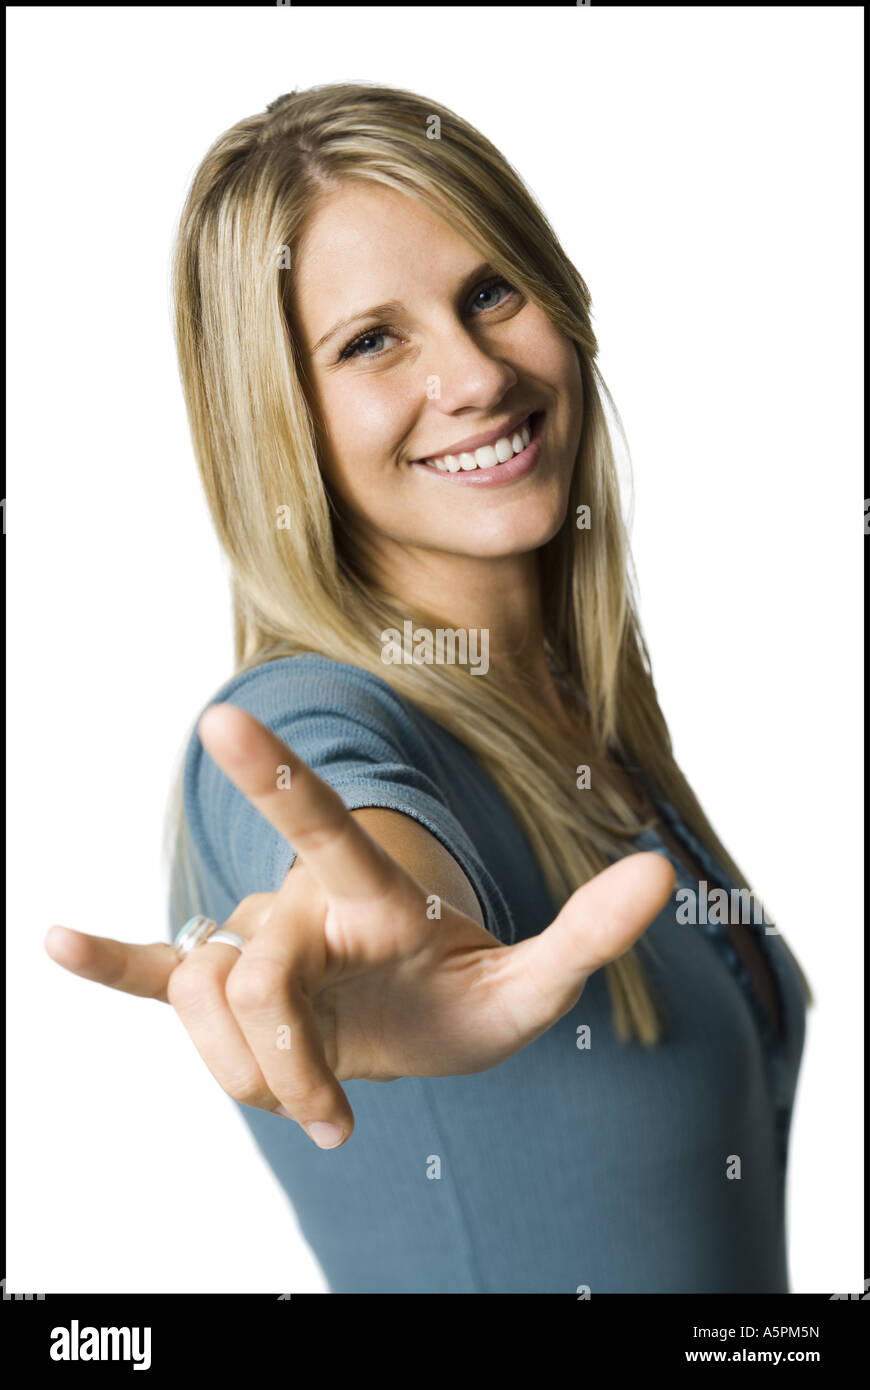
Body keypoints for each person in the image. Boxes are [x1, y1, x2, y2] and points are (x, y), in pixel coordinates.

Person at [45, 83, 811, 1293]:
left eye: (490, 292)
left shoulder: (572, 715)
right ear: (279, 419)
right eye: (371, 340)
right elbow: (349, 830)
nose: (473, 374)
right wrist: (369, 912)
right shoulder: (302, 713)